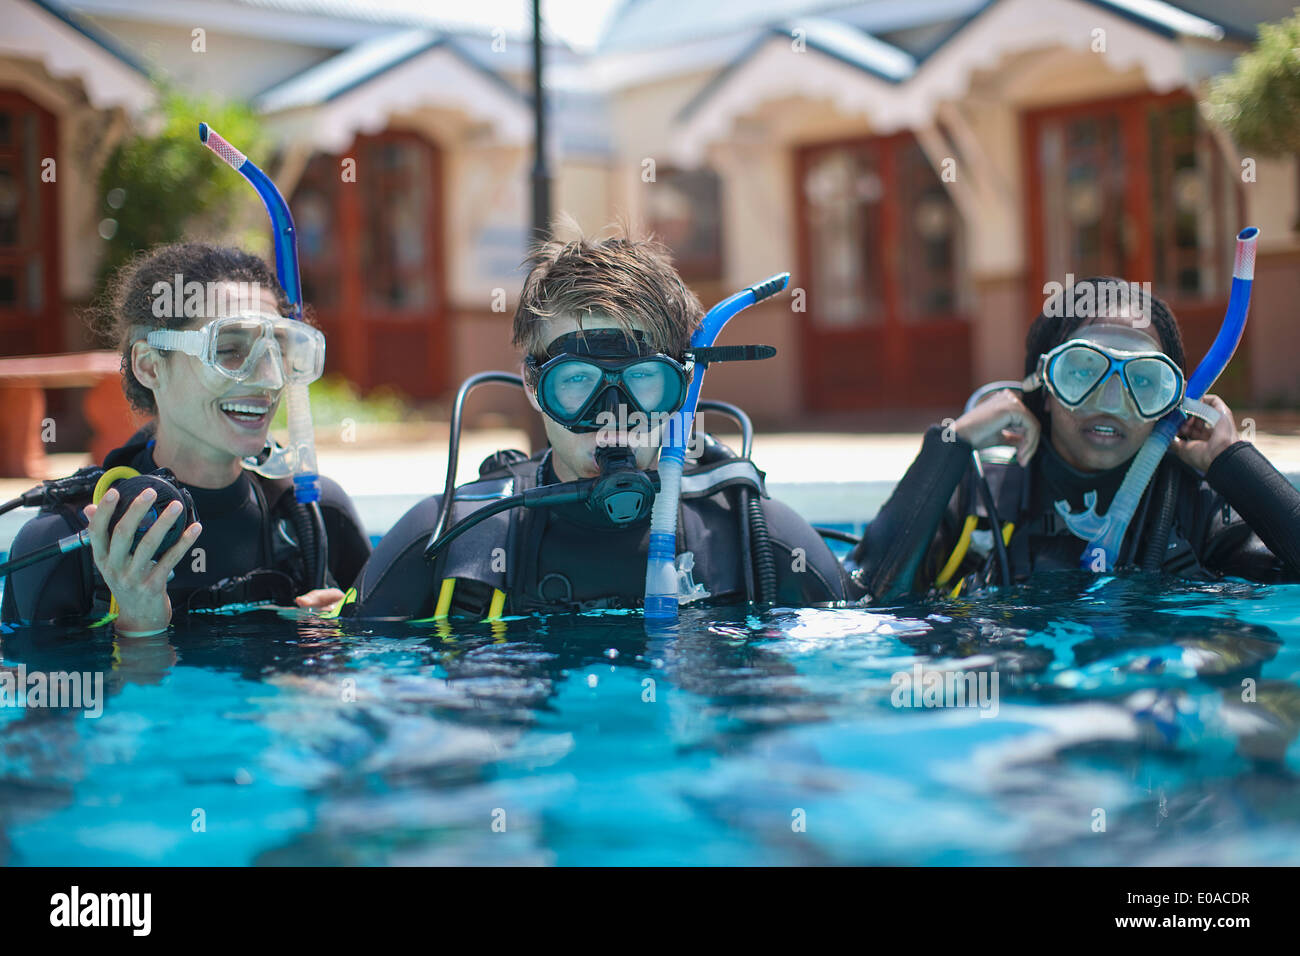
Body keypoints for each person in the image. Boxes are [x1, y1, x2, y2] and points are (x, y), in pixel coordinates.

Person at [346, 232, 873, 619]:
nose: (610, 413)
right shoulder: (451, 543)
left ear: (685, 390)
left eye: (644, 379)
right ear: (533, 385)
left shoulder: (756, 538)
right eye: (576, 381)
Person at [1, 242, 370, 634]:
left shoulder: (317, 517)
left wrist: (337, 646)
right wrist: (138, 629)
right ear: (150, 367)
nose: (269, 378)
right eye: (229, 349)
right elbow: (39, 691)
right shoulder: (63, 543)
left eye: (277, 351)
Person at [853, 277, 1300, 600]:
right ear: (1043, 388)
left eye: (1142, 381)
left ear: (1171, 405)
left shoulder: (1192, 502)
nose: (1109, 401)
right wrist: (954, 443)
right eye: (1082, 372)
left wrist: (1234, 461)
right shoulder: (981, 492)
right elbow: (866, 597)